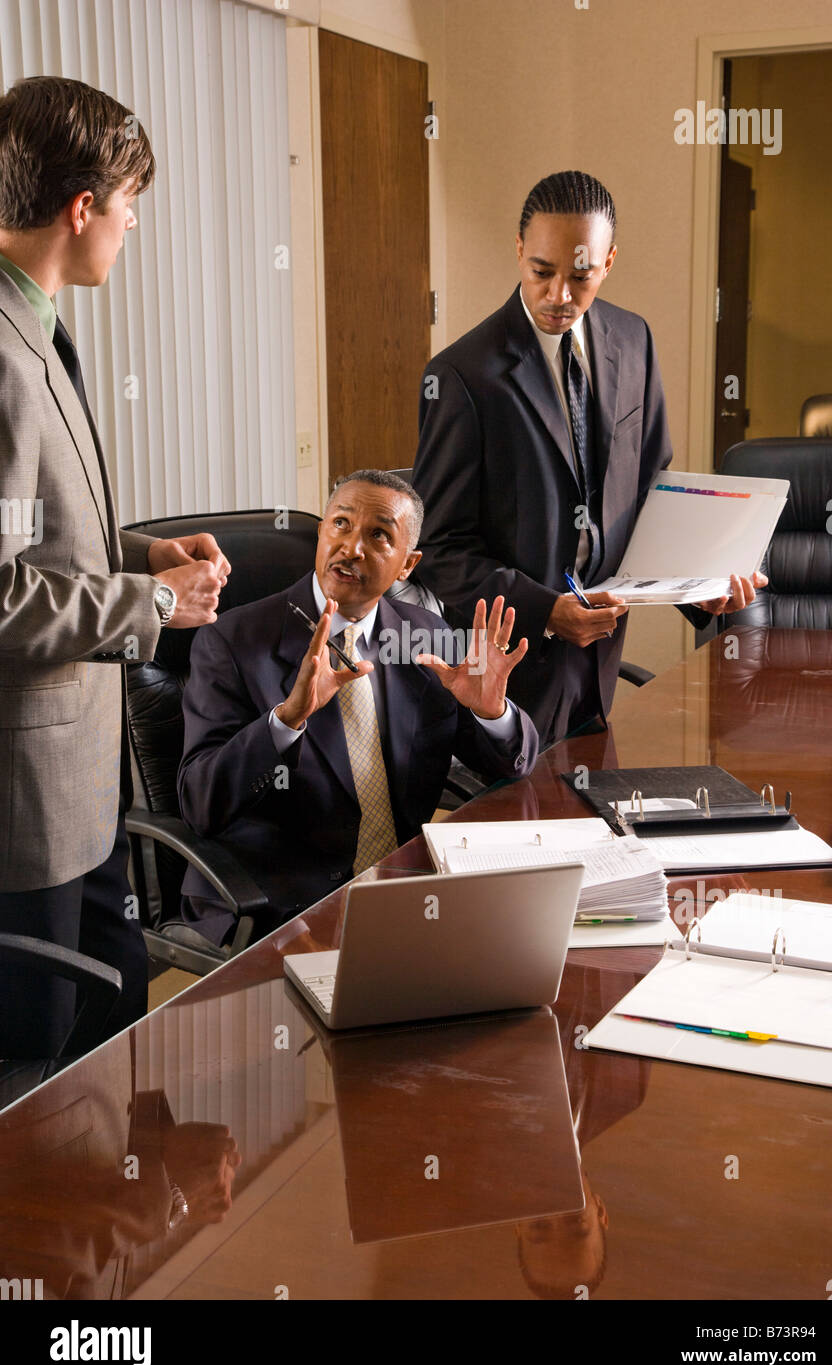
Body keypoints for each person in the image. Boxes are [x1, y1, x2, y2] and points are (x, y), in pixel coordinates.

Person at [0, 77, 230, 1059]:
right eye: (130, 201)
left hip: (85, 788)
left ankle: (115, 1212)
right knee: (42, 1067)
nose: (133, 224)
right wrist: (150, 601)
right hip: (28, 801)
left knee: (110, 1024)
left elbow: (28, 528)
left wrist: (143, 555)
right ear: (81, 206)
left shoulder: (36, 322)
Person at [412, 169, 766, 749]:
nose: (559, 296)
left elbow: (651, 492)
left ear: (608, 262)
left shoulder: (634, 339)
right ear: (519, 249)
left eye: (580, 276)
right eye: (541, 272)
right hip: (508, 679)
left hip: (601, 669)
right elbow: (440, 551)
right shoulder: (461, 377)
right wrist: (547, 610)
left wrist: (698, 583)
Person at [178, 469, 538, 945]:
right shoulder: (232, 640)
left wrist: (491, 713)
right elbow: (199, 804)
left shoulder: (424, 634)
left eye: (378, 535)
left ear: (407, 565)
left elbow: (510, 765)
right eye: (341, 525)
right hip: (276, 903)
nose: (351, 548)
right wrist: (284, 723)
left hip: (403, 894)